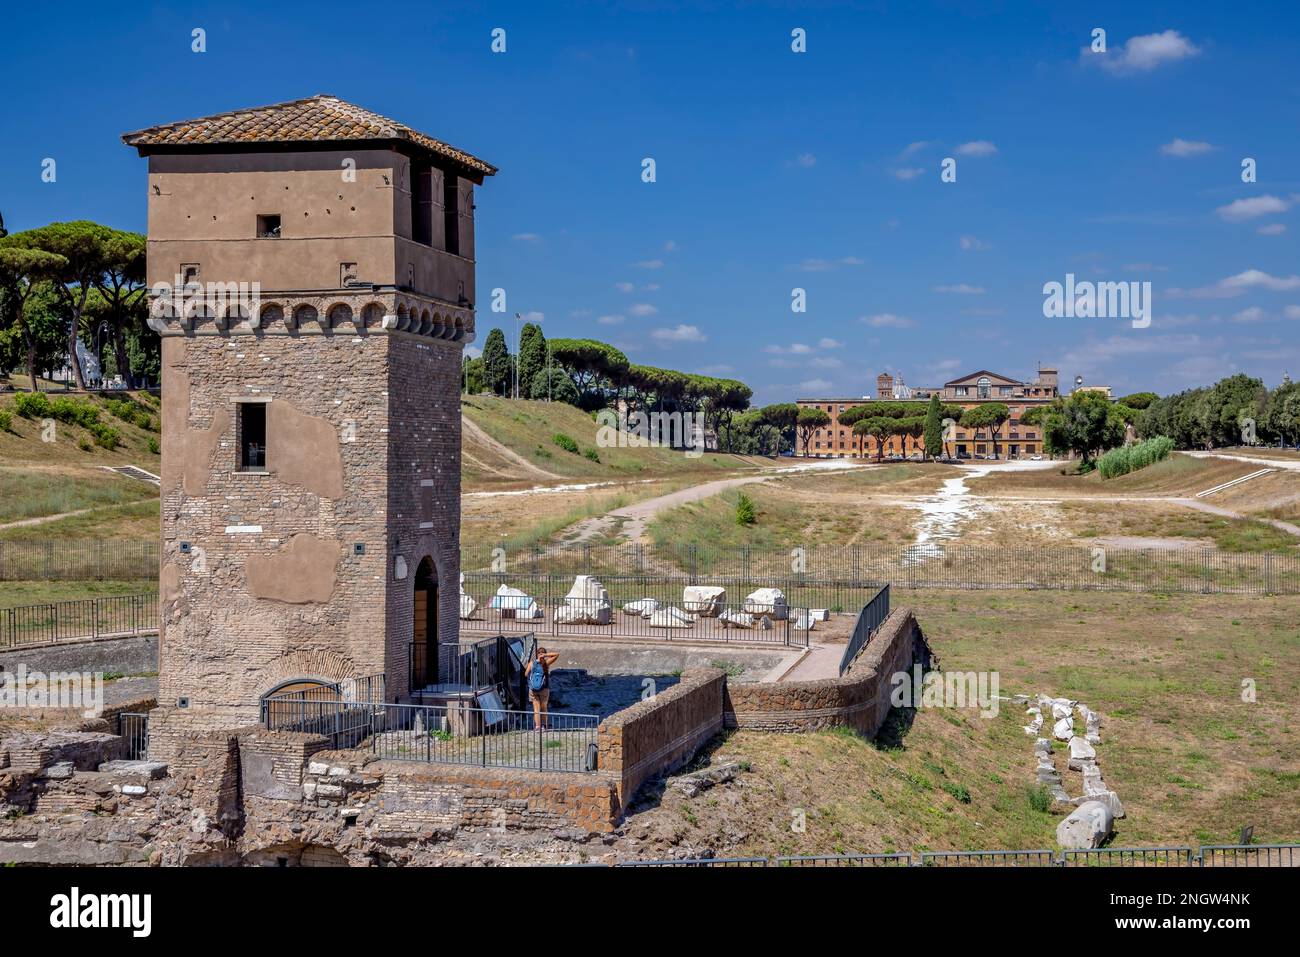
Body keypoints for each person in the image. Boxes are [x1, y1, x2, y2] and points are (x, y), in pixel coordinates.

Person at [525, 646, 560, 731]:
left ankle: (537, 727)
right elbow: (557, 654)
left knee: (536, 708)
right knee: (544, 707)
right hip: (544, 688)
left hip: (533, 688)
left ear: (536, 654)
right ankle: (544, 726)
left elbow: (526, 674)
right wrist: (546, 655)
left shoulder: (531, 663)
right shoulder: (546, 663)